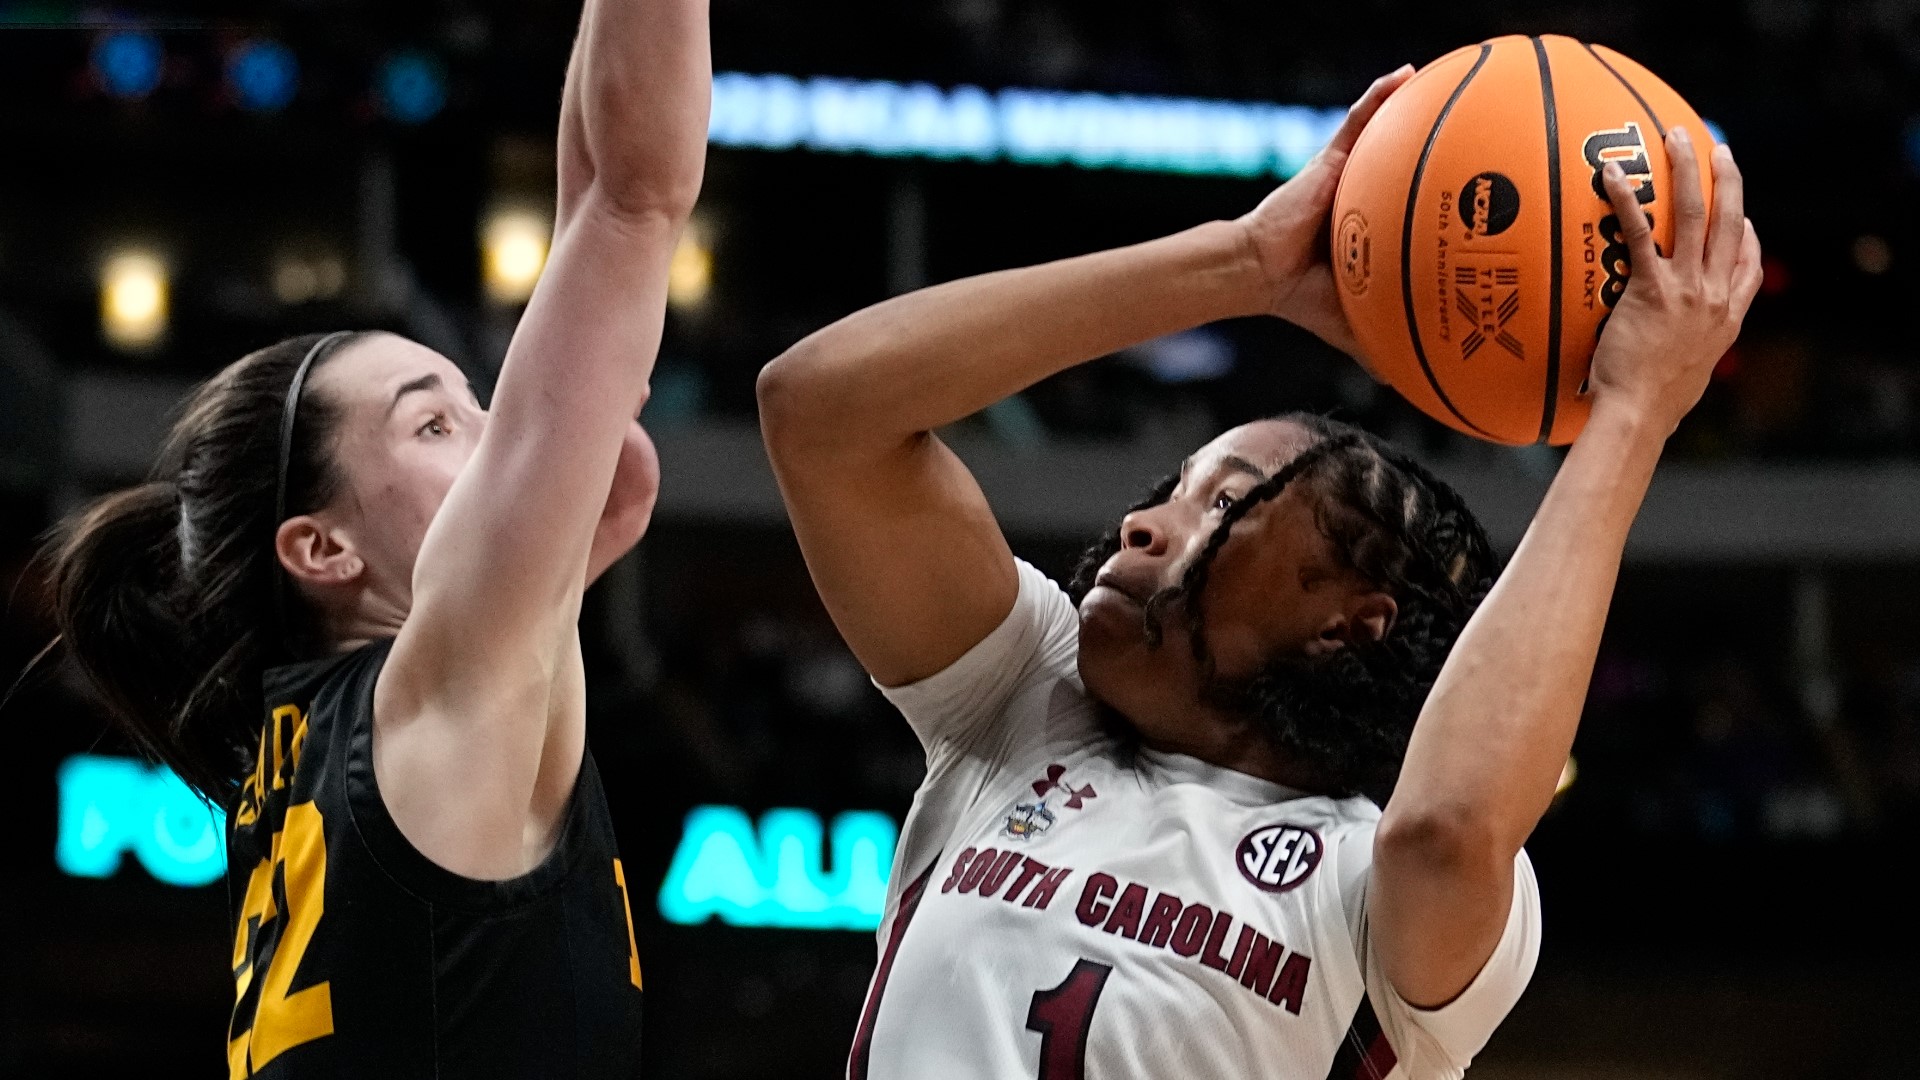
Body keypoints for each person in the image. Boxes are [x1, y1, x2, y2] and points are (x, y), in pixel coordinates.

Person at [758, 67, 1761, 1080]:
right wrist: (1244, 265)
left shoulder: (1363, 881)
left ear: (1349, 621)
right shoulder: (1021, 705)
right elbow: (823, 411)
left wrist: (1634, 412)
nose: (1143, 525)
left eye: (1222, 504)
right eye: (1170, 489)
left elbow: (1449, 828)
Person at [38, 0, 709, 1074]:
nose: (498, 437)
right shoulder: (440, 681)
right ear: (322, 549)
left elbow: (605, 210)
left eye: (478, 401)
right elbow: (633, 201)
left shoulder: (330, 739)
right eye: (436, 423)